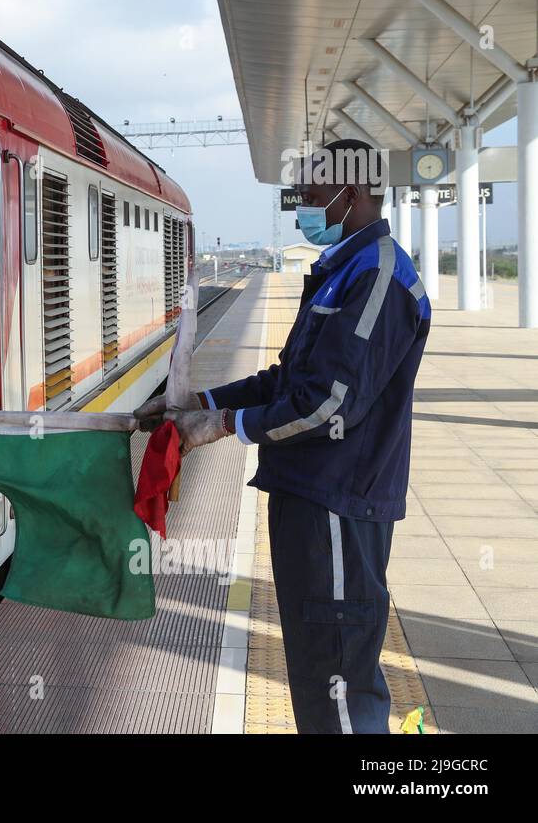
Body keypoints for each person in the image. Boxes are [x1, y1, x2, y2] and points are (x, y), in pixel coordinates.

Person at [135, 139, 431, 734]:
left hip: (338, 505)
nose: (304, 207)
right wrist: (202, 401)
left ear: (355, 194)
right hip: (312, 498)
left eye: (315, 196)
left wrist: (221, 426)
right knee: (318, 674)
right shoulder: (342, 271)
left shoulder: (375, 278)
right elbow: (288, 378)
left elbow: (325, 403)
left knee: (338, 683)